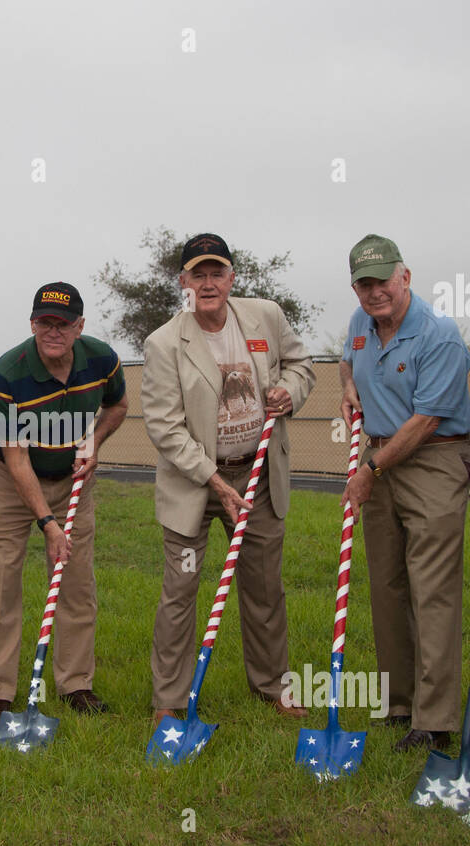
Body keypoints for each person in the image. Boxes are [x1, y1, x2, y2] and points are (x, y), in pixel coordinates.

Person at [142, 233, 315, 723]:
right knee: (182, 589)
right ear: (183, 282)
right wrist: (215, 482)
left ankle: (272, 688)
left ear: (232, 276)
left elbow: (302, 366)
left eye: (217, 272)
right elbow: (164, 427)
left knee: (263, 588)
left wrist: (289, 392)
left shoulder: (265, 316)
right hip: (196, 485)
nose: (209, 283)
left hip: (257, 478)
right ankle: (170, 703)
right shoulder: (164, 343)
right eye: (198, 274)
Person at [339, 234, 470, 753]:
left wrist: (369, 469)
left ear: (406, 277)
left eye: (383, 281)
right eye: (364, 284)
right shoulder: (359, 325)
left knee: (431, 587)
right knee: (388, 585)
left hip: (433, 458)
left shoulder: (439, 335)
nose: (375, 293)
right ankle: (398, 703)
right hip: (379, 458)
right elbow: (347, 361)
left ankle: (434, 720)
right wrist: (346, 385)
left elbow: (425, 420)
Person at [0, 282, 128, 718]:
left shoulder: (102, 359)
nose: (53, 330)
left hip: (73, 479)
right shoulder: (8, 371)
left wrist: (94, 443)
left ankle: (76, 685)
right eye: (45, 322)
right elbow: (15, 455)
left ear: (80, 326)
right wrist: (47, 523)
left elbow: (118, 406)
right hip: (10, 479)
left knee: (75, 582)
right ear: (32, 323)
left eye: (63, 323)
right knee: (0, 582)